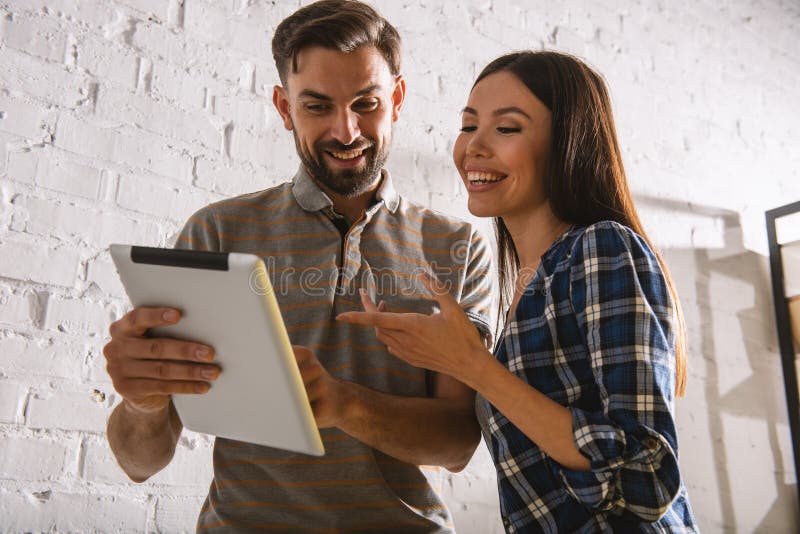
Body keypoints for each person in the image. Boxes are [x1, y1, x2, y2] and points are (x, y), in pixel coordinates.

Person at [101, 1, 492, 531]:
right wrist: (142, 404)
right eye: (317, 107)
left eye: (366, 103)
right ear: (284, 108)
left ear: (397, 99)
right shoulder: (217, 234)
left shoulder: (456, 246)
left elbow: (457, 445)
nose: (346, 131)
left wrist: (344, 403)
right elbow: (139, 462)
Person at [338, 51, 699, 532]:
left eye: (506, 129)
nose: (474, 148)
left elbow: (646, 473)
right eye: (468, 127)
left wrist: (473, 366)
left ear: (567, 143)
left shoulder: (601, 248)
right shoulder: (528, 284)